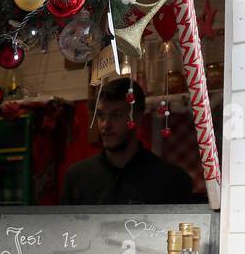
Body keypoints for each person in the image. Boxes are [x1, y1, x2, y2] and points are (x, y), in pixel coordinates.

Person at [60, 78, 197, 205]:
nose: (105, 125)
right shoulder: (77, 178)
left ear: (137, 118)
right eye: (101, 115)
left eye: (116, 115)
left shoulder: (171, 179)